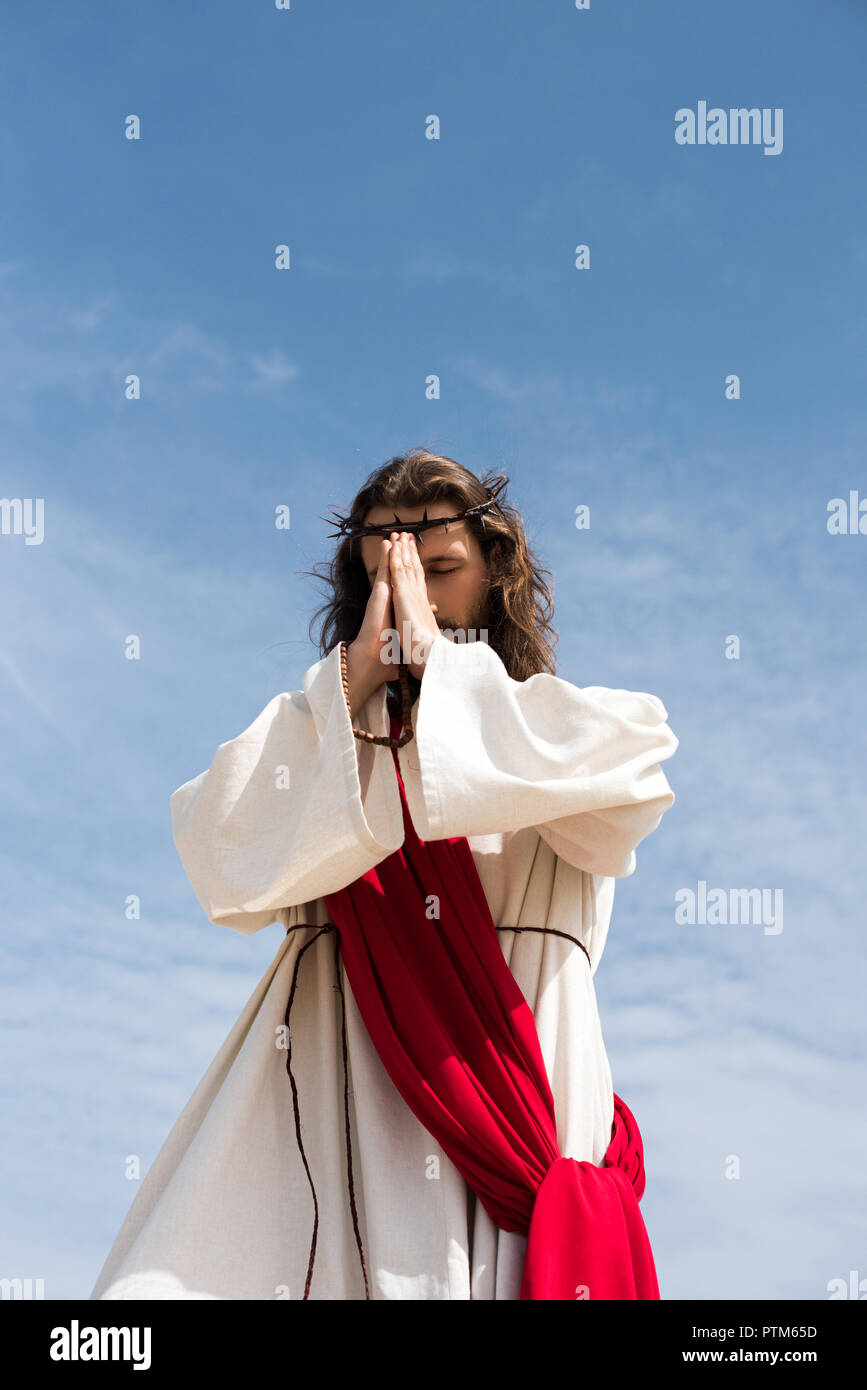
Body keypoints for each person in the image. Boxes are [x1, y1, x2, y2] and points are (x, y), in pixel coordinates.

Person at [89, 449, 678, 1301]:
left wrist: (445, 670)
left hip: (515, 1113)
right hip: (342, 1106)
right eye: (385, 578)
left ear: (495, 573)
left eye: (441, 569)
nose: (415, 597)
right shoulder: (321, 746)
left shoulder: (545, 733)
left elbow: (640, 772)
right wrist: (351, 680)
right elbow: (218, 856)